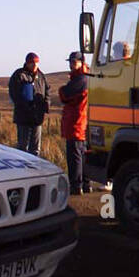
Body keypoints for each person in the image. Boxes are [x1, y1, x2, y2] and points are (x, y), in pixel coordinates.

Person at [58, 50, 90, 193]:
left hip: (76, 122)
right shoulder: (84, 77)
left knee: (75, 155)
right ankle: (84, 184)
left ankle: (76, 185)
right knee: (82, 154)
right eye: (70, 62)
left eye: (74, 62)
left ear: (81, 62)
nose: (71, 65)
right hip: (80, 122)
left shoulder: (80, 79)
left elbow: (65, 94)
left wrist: (62, 89)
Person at [8, 52, 49, 155]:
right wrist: (25, 106)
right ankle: (22, 169)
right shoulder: (19, 75)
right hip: (23, 117)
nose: (34, 65)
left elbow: (47, 91)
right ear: (27, 63)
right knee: (22, 146)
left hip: (37, 117)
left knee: (35, 148)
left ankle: (34, 168)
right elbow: (14, 93)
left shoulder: (41, 76)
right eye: (32, 62)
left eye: (36, 62)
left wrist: (46, 105)